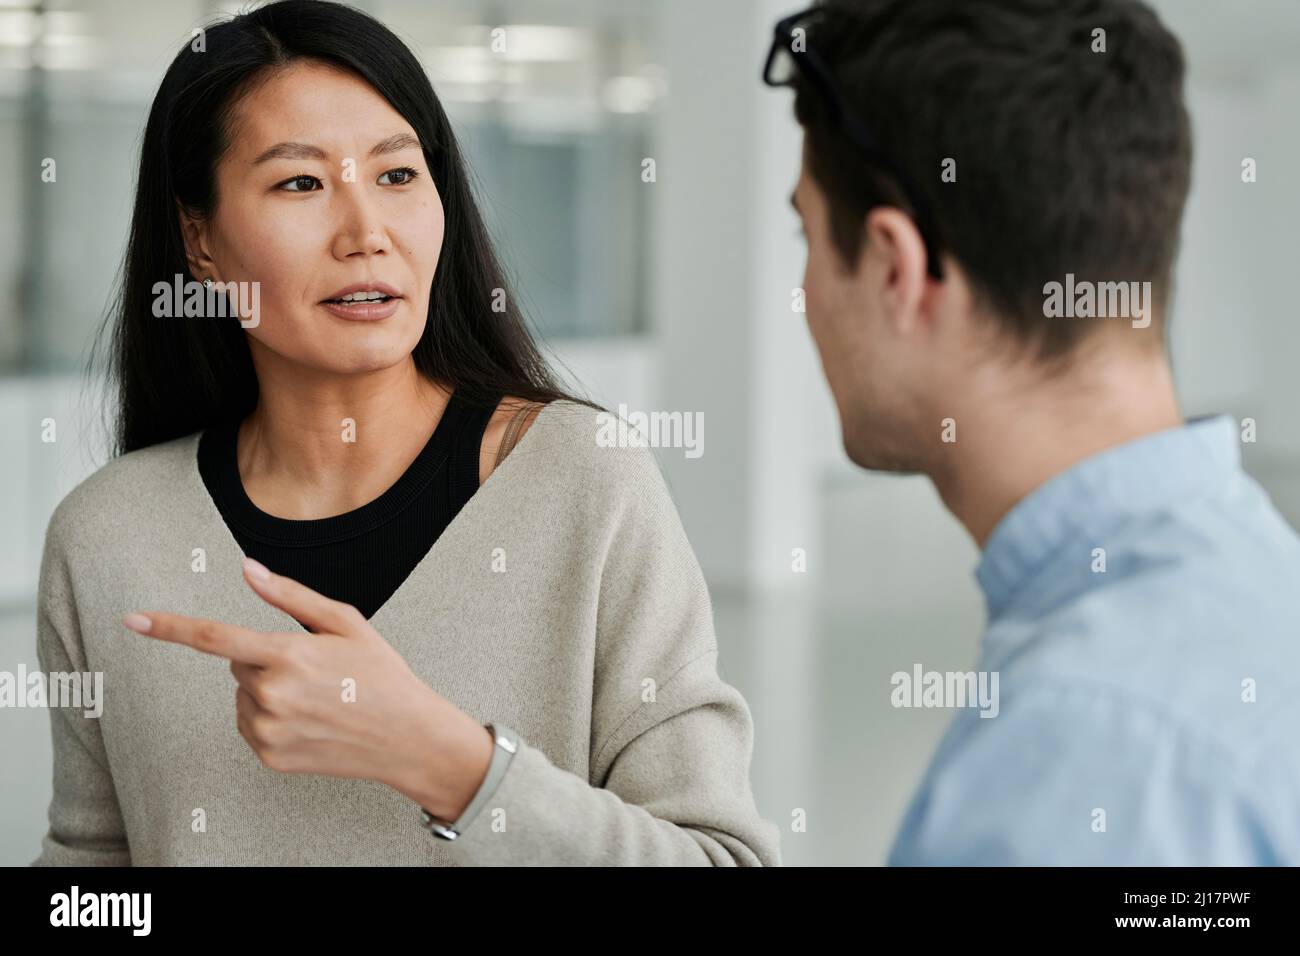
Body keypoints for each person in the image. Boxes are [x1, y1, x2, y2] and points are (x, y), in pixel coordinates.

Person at [32, 0, 779, 866]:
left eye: (397, 175)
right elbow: (88, 875)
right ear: (199, 241)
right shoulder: (106, 535)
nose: (367, 235)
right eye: (300, 184)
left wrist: (447, 762)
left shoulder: (586, 483)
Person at [766, 0, 1300, 864]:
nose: (806, 292)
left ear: (898, 269)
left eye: (807, 235)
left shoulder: (1072, 760)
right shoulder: (1262, 583)